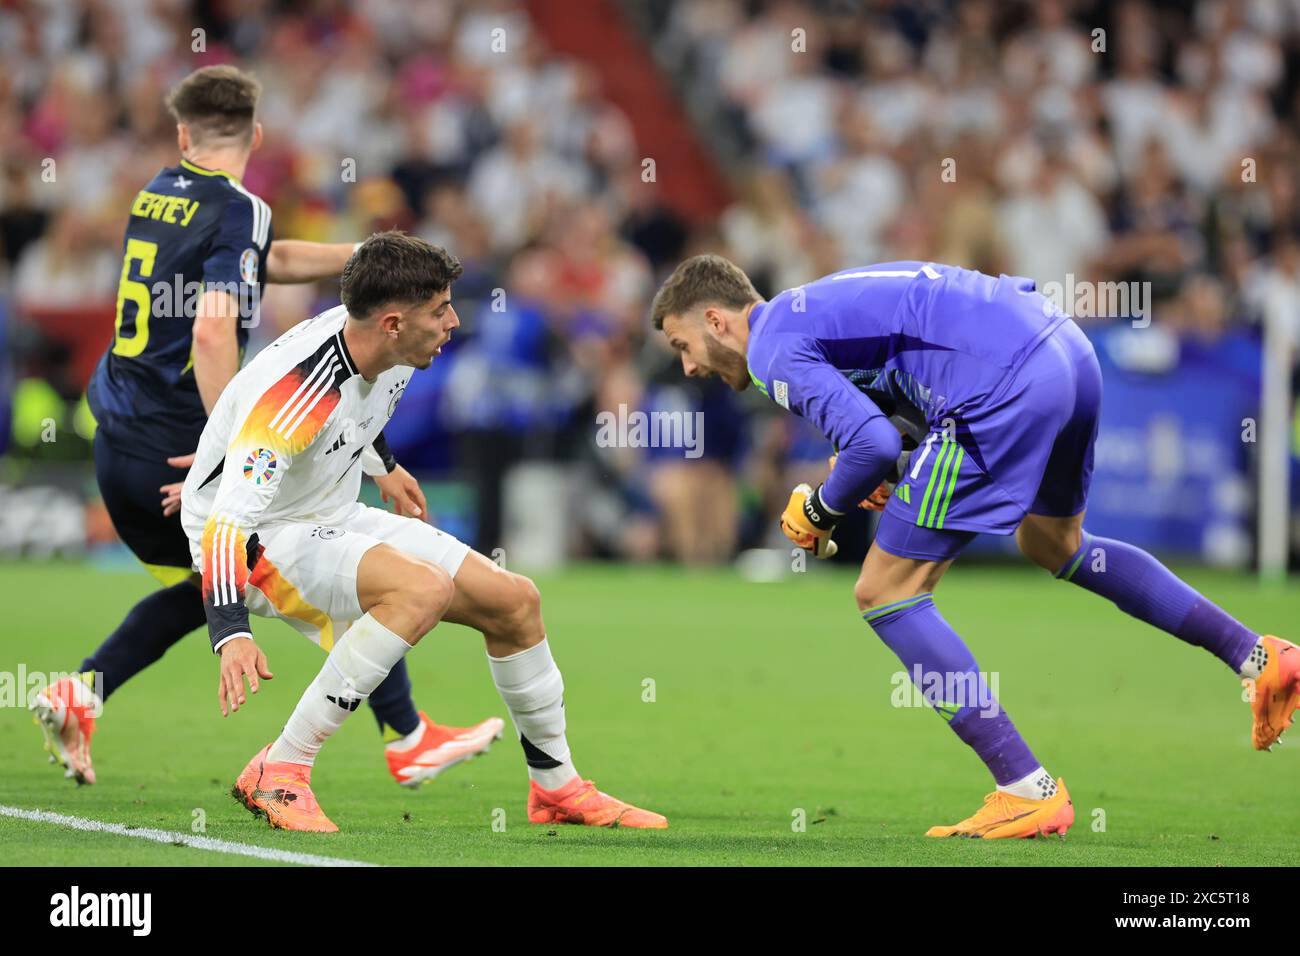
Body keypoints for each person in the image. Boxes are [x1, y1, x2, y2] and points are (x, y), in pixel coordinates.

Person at [651, 253, 1297, 839]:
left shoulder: (771, 348)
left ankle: (1024, 788)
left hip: (1002, 385)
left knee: (886, 589)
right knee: (1057, 542)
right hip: (1065, 352)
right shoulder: (811, 305)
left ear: (716, 319)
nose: (687, 365)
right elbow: (898, 408)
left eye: (684, 345)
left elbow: (870, 443)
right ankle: (1258, 656)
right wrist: (885, 469)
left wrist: (819, 509)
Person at [31, 65, 501, 791]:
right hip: (184, 441)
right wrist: (224, 451)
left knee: (217, 585)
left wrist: (369, 263)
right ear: (256, 134)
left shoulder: (159, 191)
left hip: (118, 429)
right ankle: (404, 738)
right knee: (304, 564)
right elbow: (214, 331)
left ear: (184, 135)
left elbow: (267, 262)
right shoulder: (241, 207)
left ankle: (81, 693)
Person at [180, 231, 666, 832]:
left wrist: (383, 466)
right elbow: (228, 521)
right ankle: (280, 769)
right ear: (391, 322)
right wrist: (229, 634)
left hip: (323, 509)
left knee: (514, 602)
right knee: (420, 590)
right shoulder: (295, 392)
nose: (453, 322)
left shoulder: (388, 347)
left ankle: (556, 788)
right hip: (251, 539)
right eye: (440, 310)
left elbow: (359, 404)